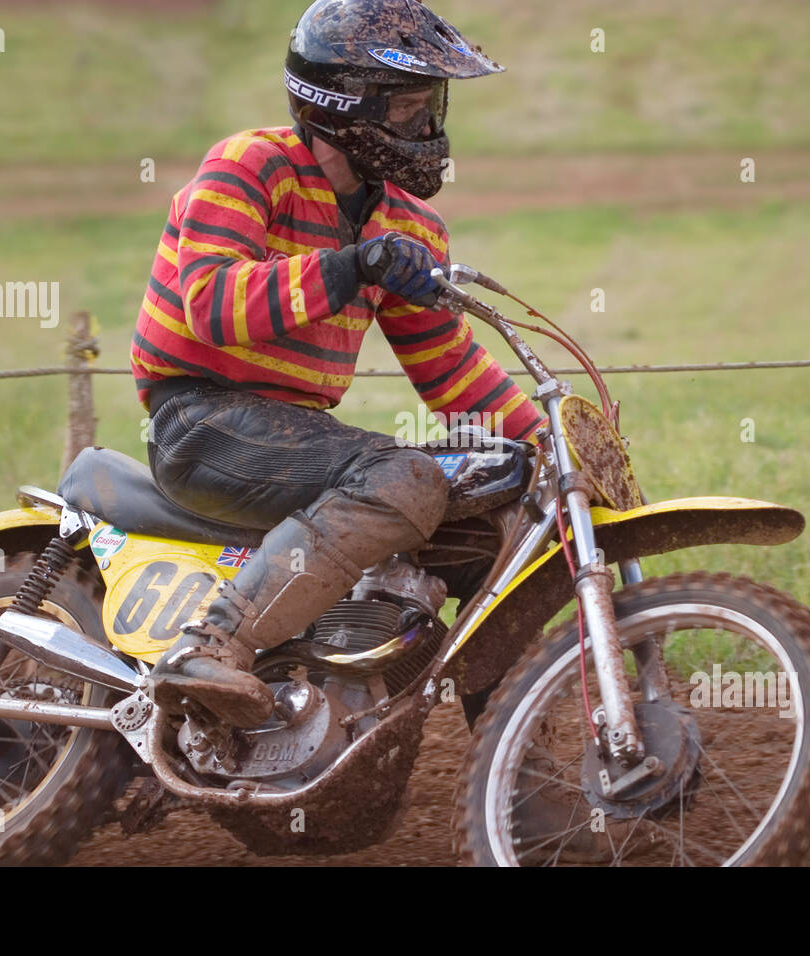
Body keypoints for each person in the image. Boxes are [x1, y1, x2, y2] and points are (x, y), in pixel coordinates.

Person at [131, 0, 544, 727]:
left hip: (291, 433)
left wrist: (548, 449)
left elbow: (448, 370)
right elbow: (211, 304)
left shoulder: (409, 225)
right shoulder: (249, 165)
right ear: (345, 105)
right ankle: (211, 644)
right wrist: (352, 268)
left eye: (431, 106)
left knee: (491, 511)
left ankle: (514, 767)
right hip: (200, 418)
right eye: (410, 105)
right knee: (404, 474)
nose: (428, 127)